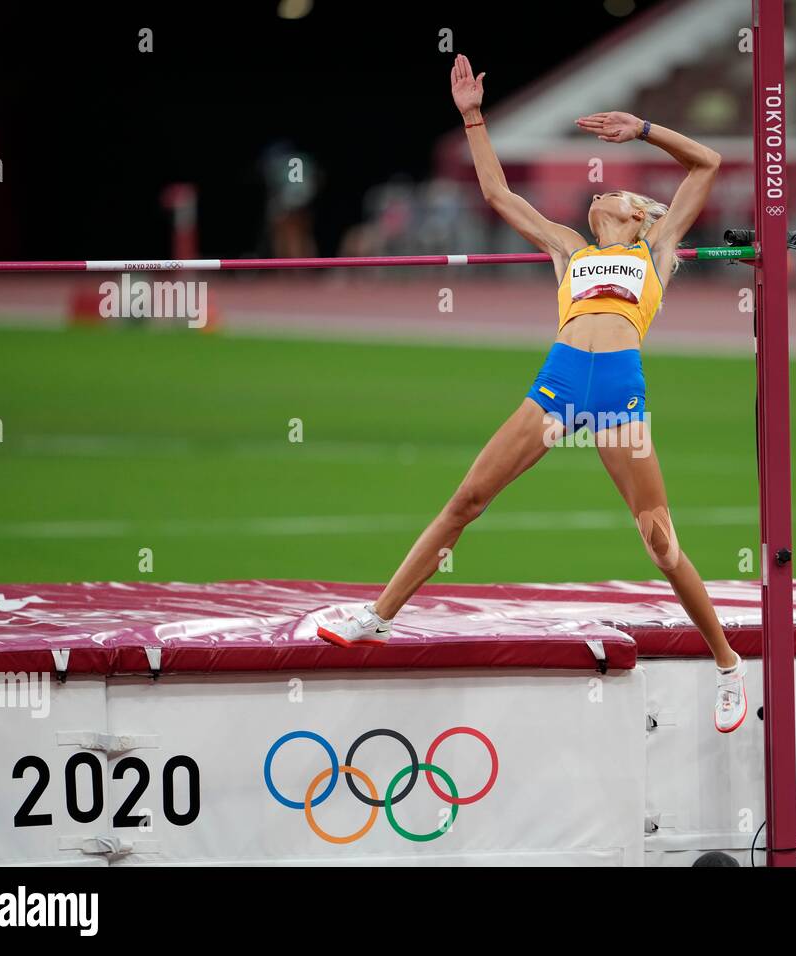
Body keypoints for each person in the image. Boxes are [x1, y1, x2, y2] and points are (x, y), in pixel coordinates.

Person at [314, 54, 747, 733]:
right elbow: (498, 196)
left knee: (661, 544)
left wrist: (643, 129)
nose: (598, 194)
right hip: (560, 385)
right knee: (467, 500)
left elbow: (708, 164)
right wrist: (473, 117)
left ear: (637, 215)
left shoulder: (656, 249)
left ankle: (728, 663)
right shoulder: (569, 248)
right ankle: (378, 617)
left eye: (612, 193)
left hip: (619, 398)